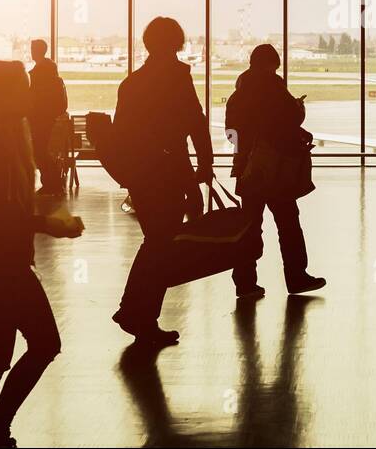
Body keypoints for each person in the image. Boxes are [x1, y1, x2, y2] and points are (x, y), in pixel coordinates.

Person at [0, 60, 83, 447]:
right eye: (21, 88)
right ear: (3, 95)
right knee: (42, 344)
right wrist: (46, 225)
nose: (29, 94)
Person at [111, 17, 213, 343]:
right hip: (170, 172)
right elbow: (196, 123)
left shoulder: (132, 83)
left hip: (143, 174)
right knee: (160, 245)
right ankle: (137, 313)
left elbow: (121, 134)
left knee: (156, 242)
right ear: (176, 43)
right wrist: (204, 164)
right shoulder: (177, 78)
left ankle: (138, 315)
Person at [225, 44, 324, 299]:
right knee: (288, 223)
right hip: (276, 169)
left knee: (249, 226)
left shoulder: (238, 95)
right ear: (271, 64)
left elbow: (231, 132)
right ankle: (296, 276)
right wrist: (298, 108)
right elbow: (290, 120)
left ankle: (245, 282)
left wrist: (242, 154)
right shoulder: (274, 89)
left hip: (249, 170)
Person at [27, 40, 68, 195]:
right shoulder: (51, 73)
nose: (31, 51)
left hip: (40, 118)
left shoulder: (37, 74)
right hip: (47, 117)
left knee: (39, 150)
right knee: (41, 150)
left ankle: (53, 182)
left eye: (33, 48)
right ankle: (54, 182)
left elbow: (35, 98)